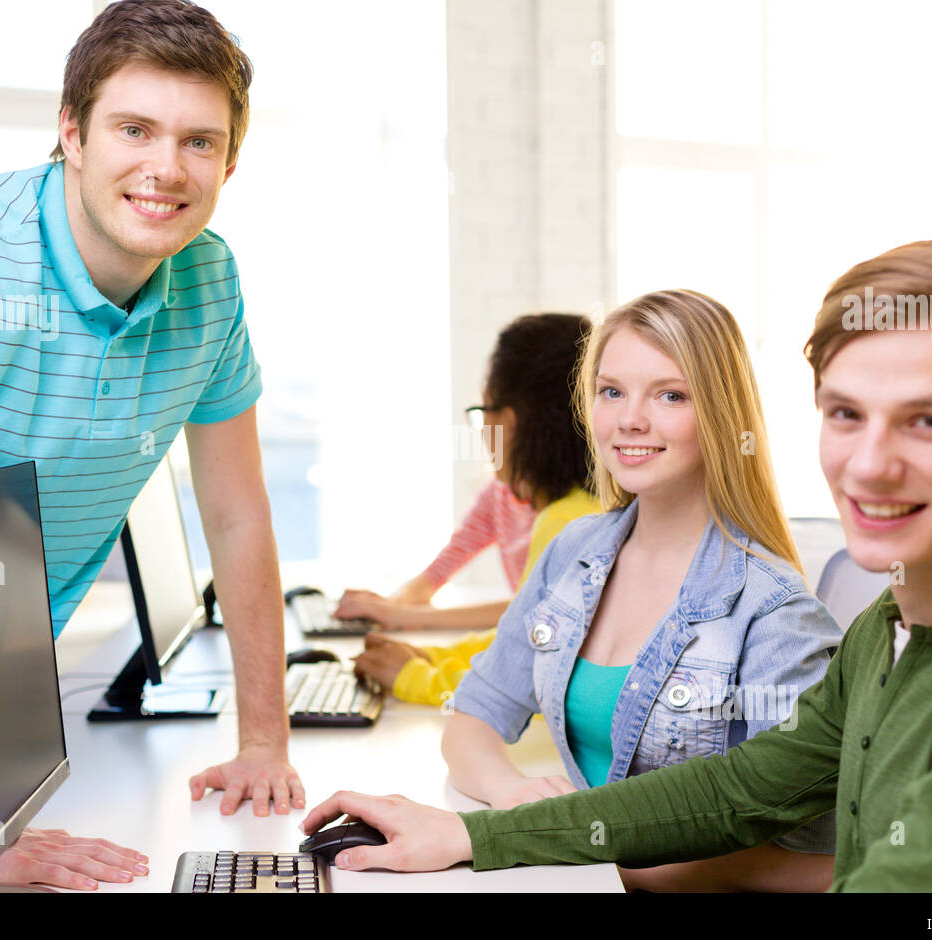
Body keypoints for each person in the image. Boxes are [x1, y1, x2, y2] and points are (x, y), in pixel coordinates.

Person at [301, 239, 932, 892]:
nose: (870, 466)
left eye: (927, 421)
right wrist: (478, 833)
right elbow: (736, 791)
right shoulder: (893, 626)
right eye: (846, 415)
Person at [0, 0, 302, 893]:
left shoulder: (209, 276)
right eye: (134, 129)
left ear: (231, 159)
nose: (165, 168)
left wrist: (263, 740)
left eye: (198, 140)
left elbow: (236, 511)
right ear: (70, 133)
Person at [440, 290, 840, 891]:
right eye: (612, 391)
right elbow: (473, 716)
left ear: (721, 416)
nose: (630, 419)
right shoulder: (573, 554)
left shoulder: (774, 610)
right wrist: (516, 797)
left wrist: (580, 849)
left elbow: (810, 861)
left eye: (670, 395)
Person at [347, 313, 602, 704]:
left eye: (483, 412)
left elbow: (525, 684)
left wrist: (417, 678)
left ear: (510, 423)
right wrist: (432, 656)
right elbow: (522, 639)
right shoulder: (586, 507)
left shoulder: (566, 524)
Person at [333, 477, 535, 631]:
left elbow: (531, 608)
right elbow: (444, 565)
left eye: (482, 420)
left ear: (511, 422)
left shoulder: (558, 511)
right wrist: (389, 605)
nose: (483, 433)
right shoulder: (499, 491)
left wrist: (406, 616)